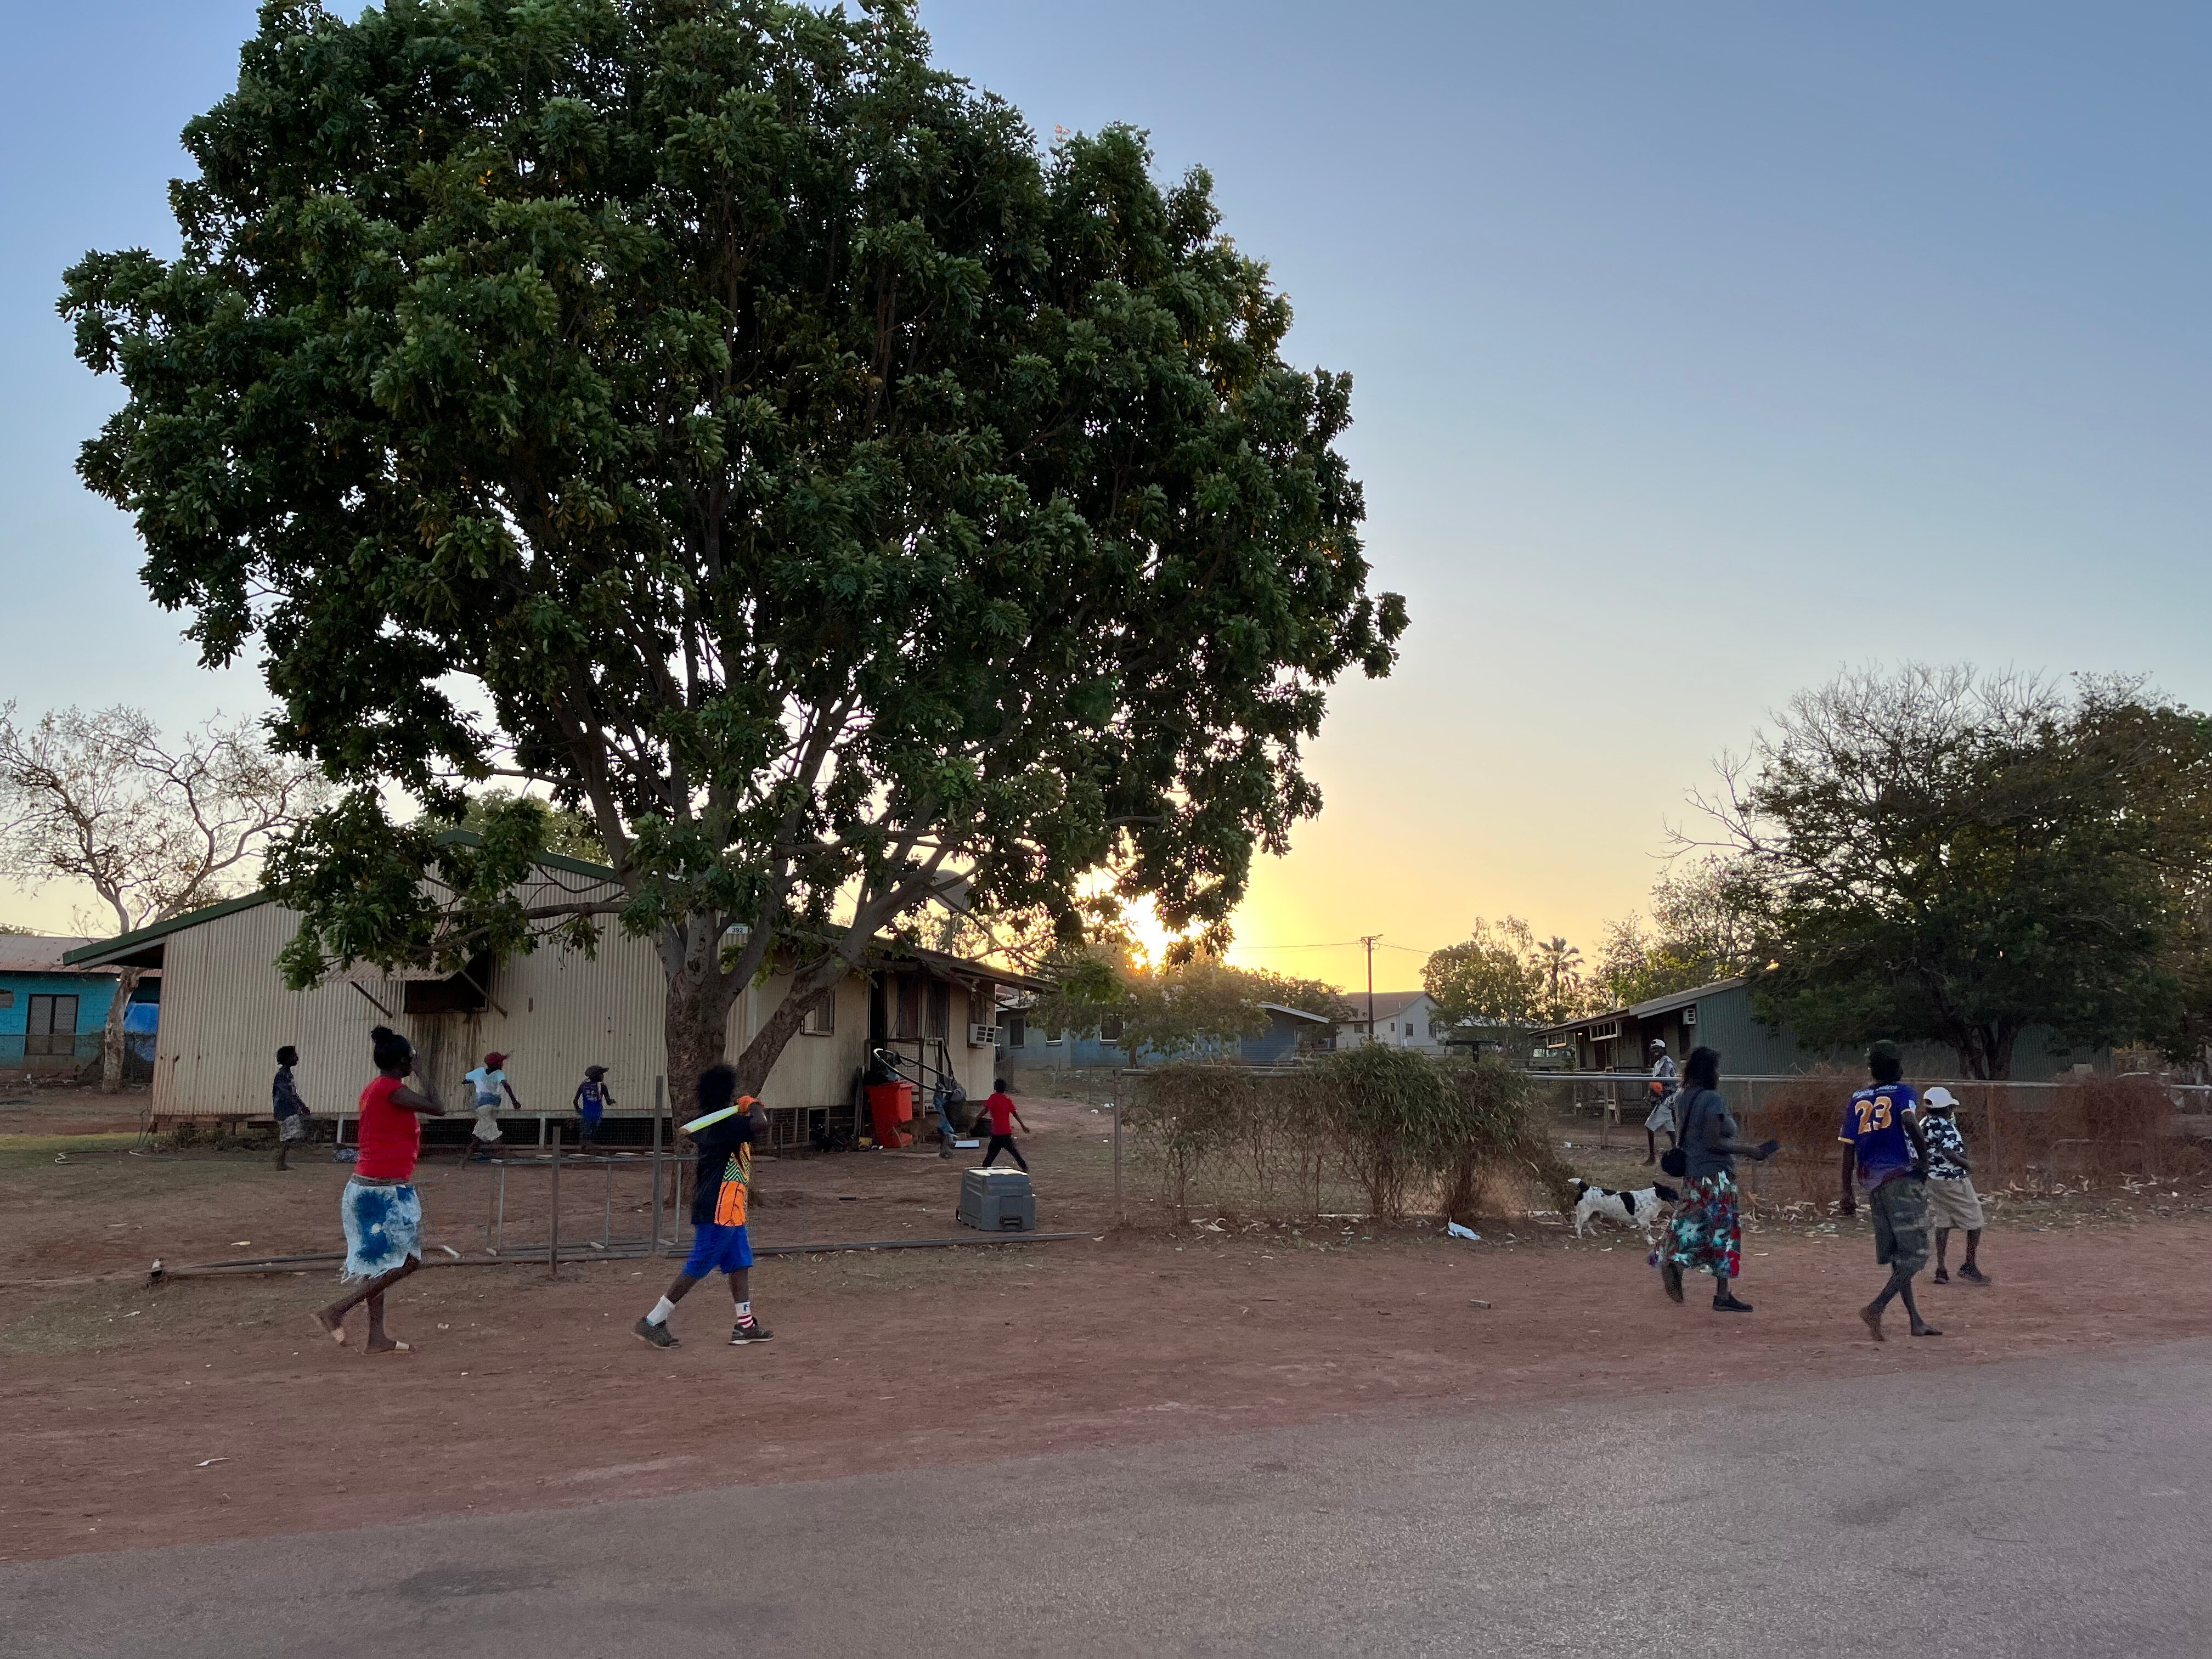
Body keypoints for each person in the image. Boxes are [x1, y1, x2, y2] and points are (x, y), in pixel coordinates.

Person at [313, 1025, 445, 1353]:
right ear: (403, 1061)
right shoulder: (393, 1090)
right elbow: (438, 1107)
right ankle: (337, 1310)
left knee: (382, 1265)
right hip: (383, 1192)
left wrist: (412, 1065)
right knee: (410, 1262)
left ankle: (376, 1338)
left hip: (368, 1187)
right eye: (410, 1059)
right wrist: (423, 1070)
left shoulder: (375, 1088)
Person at [634, 1065, 772, 1350]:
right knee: (699, 1264)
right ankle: (652, 1321)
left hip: (732, 1206)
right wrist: (755, 1106)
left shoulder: (713, 1121)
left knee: (740, 1262)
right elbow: (761, 1125)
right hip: (717, 1207)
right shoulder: (724, 1124)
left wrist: (740, 1110)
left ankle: (745, 1326)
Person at [1659, 1046, 1779, 1313]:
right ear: (1710, 1070)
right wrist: (1750, 1150)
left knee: (1691, 1224)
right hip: (1717, 1176)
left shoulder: (1684, 1097)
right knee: (1723, 1233)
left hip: (1693, 1174)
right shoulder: (1712, 1099)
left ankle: (1674, 1262)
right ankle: (1717, 1291)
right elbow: (1714, 1142)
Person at [1839, 1044, 1942, 1341]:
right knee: (1918, 1254)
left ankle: (1916, 1321)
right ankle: (1877, 1306)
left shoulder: (1858, 1097)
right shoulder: (1902, 1092)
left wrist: (1846, 1191)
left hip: (1871, 1180)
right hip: (1901, 1178)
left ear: (1872, 1069)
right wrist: (1924, 1162)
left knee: (1900, 1254)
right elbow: (1910, 1122)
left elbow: (1848, 1146)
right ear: (1899, 1068)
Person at [1917, 1085, 1991, 1286]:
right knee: (1975, 1219)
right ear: (1945, 1108)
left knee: (1943, 1220)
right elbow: (1949, 1153)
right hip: (1952, 1180)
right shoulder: (1945, 1126)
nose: (1952, 1110)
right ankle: (1969, 1265)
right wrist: (1968, 1165)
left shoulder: (1924, 1123)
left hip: (1932, 1180)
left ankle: (1941, 1269)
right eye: (1950, 1107)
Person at [461, 1051, 521, 1161]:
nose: (502, 1065)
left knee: (479, 1137)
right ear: (497, 1065)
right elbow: (506, 1086)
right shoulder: (499, 1074)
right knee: (493, 1132)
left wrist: (475, 1082)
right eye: (501, 1063)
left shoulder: (479, 1072)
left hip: (482, 1109)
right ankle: (504, 1152)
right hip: (491, 1108)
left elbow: (465, 1080)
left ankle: (463, 1162)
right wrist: (514, 1102)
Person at [977, 1079, 1029, 1172]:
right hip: (1006, 1132)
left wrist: (976, 1119)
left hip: (997, 1133)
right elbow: (1015, 1114)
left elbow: (985, 1110)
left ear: (995, 1088)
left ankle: (984, 1169)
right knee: (1013, 1151)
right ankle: (1024, 1166)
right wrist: (1023, 1126)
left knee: (991, 1154)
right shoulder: (1007, 1100)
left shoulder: (993, 1098)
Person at [272, 1045, 310, 1171]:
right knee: (287, 1136)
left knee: (287, 1137)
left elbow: (293, 1093)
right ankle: (280, 1162)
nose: (297, 1057)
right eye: (294, 1056)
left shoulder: (288, 1075)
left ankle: (281, 1162)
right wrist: (296, 1106)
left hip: (288, 1110)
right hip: (284, 1110)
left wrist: (302, 1105)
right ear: (288, 1059)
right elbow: (286, 1093)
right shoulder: (282, 1075)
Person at [1643, 1039, 1680, 1166]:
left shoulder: (1667, 1063)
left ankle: (1652, 1157)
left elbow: (1661, 1082)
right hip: (1665, 1099)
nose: (1655, 1051)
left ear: (1664, 1049)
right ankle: (1679, 1156)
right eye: (1653, 1049)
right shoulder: (1658, 1064)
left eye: (1658, 1048)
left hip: (1667, 1100)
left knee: (1649, 1126)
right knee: (1671, 1129)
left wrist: (1654, 1094)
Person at [573, 1064, 614, 1154]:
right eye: (602, 1074)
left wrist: (578, 1110)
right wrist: (612, 1101)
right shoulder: (602, 1086)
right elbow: (608, 1101)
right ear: (597, 1076)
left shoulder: (583, 1085)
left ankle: (584, 1147)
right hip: (596, 1114)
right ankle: (587, 1148)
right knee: (592, 1131)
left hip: (586, 1113)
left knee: (586, 1130)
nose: (603, 1076)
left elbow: (575, 1100)